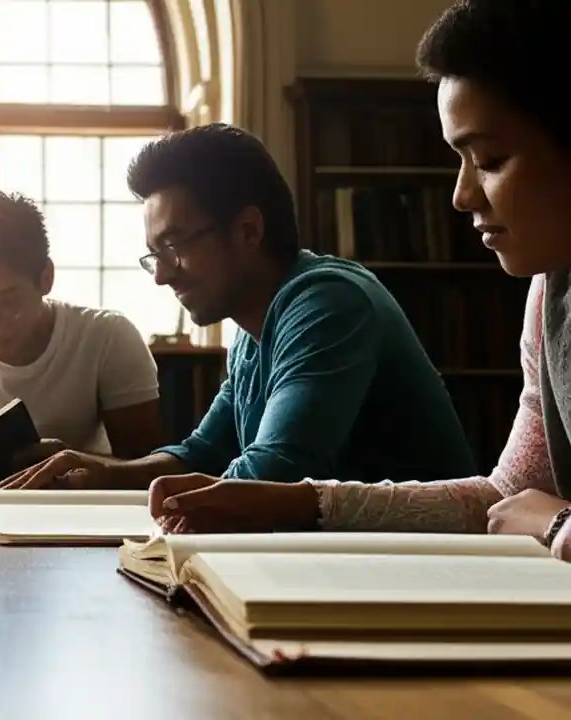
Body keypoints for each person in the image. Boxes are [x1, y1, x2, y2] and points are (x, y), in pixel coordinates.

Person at [147, 0, 571, 561]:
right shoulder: (548, 291)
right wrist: (299, 504)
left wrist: (559, 524)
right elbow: (506, 499)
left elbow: (536, 513)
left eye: (490, 159)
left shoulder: (325, 300)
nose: (462, 195)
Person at [3, 124, 476, 490]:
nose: (162, 273)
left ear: (248, 231)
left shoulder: (328, 303)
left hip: (421, 587)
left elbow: (274, 474)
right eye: (154, 254)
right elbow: (202, 452)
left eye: (174, 246)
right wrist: (103, 473)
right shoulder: (254, 325)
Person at [0, 189, 165, 466]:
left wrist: (72, 462)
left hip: (86, 500)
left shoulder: (108, 337)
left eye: (9, 302)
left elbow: (145, 468)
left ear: (46, 278)